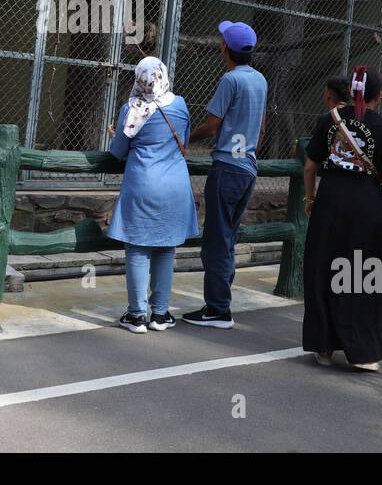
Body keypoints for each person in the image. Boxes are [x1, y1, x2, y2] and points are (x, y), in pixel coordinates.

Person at [302, 66, 382, 370]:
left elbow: (310, 166)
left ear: (352, 91)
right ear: (379, 95)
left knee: (323, 269)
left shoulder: (329, 120)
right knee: (359, 274)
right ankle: (362, 352)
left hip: (329, 203)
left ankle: (324, 347)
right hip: (364, 208)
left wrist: (311, 199)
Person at [184, 21, 268, 329]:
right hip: (248, 166)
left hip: (227, 168)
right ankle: (220, 302)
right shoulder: (260, 80)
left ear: (225, 49)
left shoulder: (230, 80)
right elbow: (261, 127)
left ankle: (218, 309)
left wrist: (186, 139)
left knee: (217, 240)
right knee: (228, 237)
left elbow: (213, 124)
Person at [107, 57, 199, 333]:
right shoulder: (180, 105)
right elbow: (183, 136)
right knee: (166, 248)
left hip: (142, 184)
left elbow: (118, 152)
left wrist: (114, 134)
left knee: (137, 246)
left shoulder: (131, 109)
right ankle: (160, 314)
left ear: (138, 79)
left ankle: (136, 316)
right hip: (174, 186)